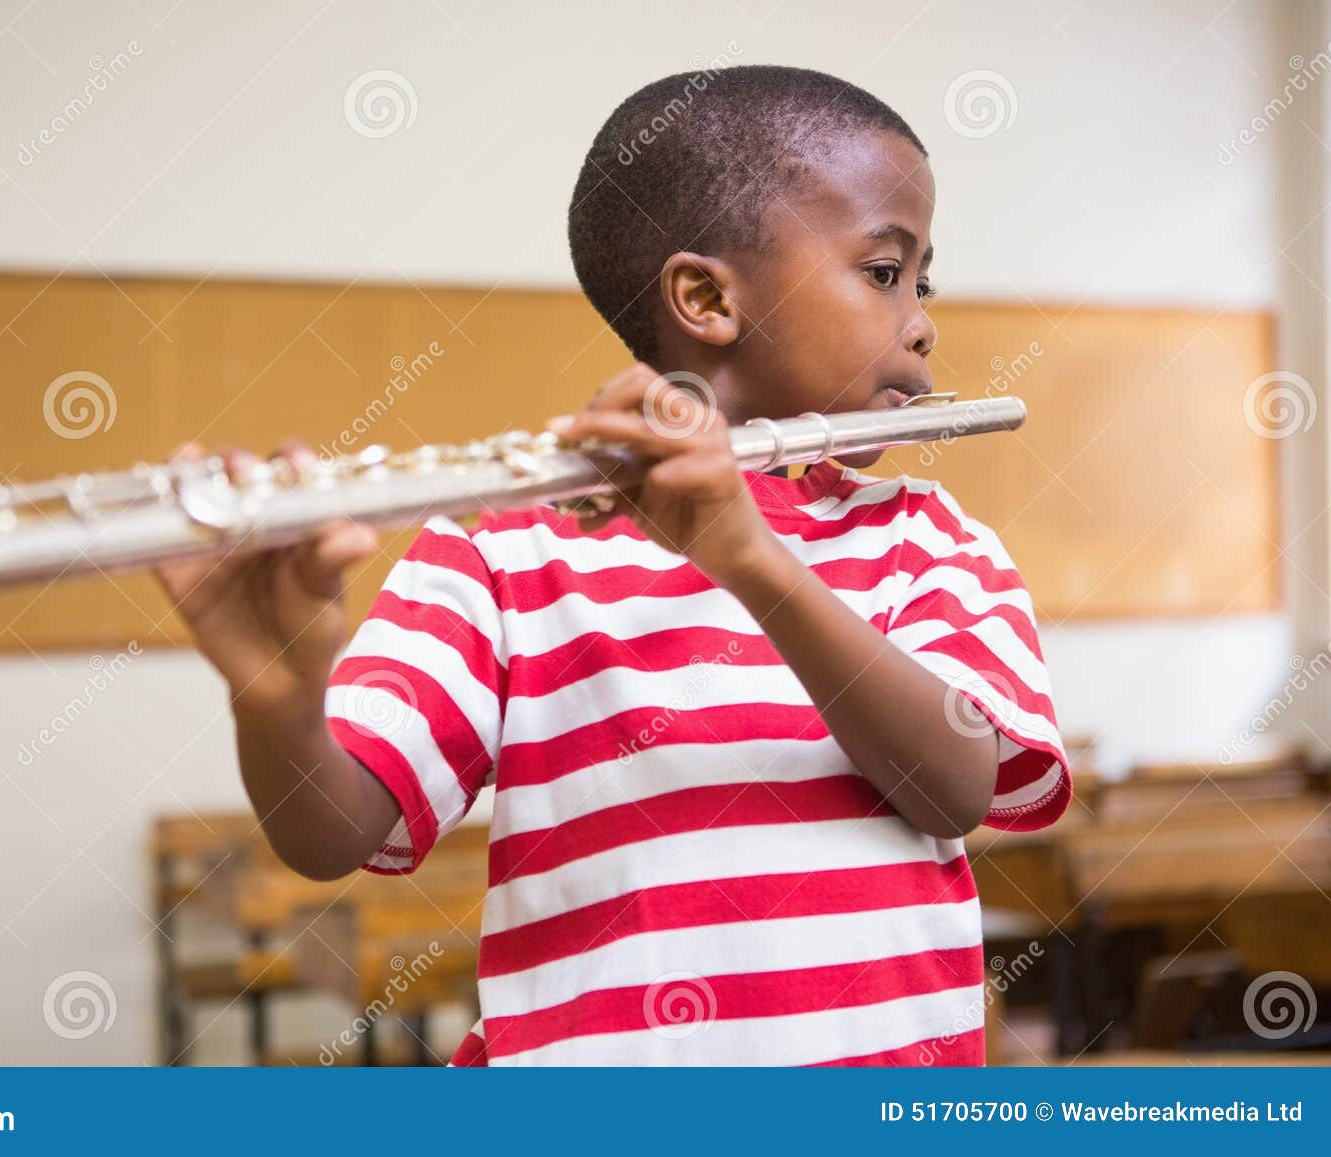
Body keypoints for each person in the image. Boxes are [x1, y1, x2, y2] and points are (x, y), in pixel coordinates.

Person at [157, 65, 1071, 1066]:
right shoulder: (501, 545)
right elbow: (331, 836)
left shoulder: (927, 536)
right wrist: (277, 700)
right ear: (706, 298)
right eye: (884, 271)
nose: (922, 320)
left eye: (921, 280)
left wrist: (756, 565)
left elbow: (956, 787)